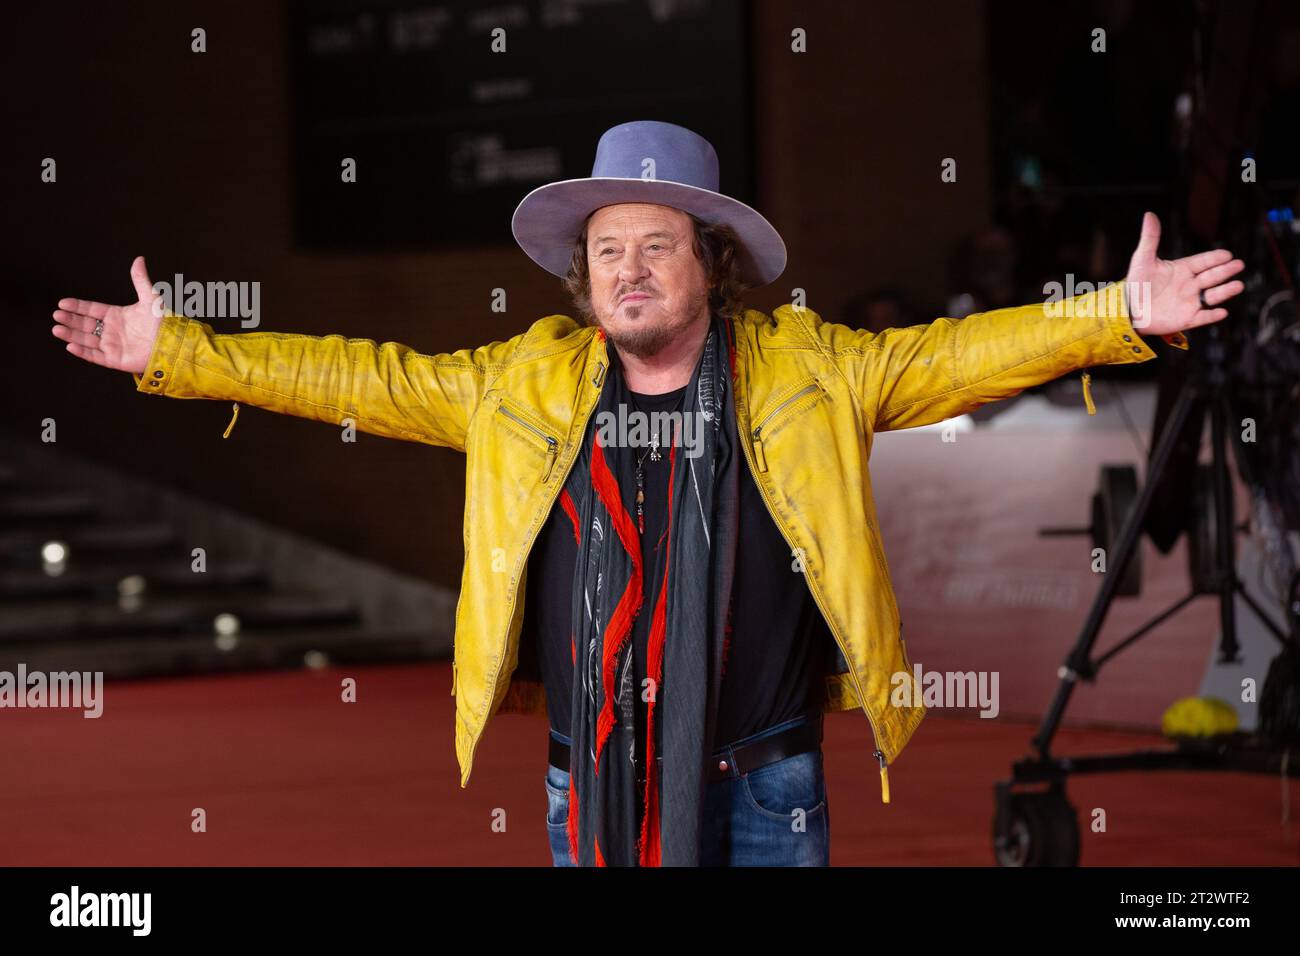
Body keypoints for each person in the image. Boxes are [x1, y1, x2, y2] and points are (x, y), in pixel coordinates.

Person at [51, 120, 1244, 867]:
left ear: (708, 263)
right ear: (584, 274)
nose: (627, 269)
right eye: (608, 249)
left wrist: (1118, 313)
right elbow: (354, 373)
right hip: (592, 770)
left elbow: (959, 355)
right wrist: (183, 351)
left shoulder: (813, 367)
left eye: (656, 245)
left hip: (768, 772)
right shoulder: (518, 383)